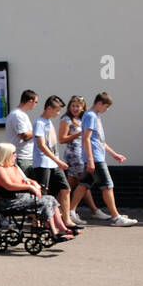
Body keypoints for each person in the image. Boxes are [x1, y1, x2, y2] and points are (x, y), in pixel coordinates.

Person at [70, 91, 136, 226]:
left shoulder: (95, 116)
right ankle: (116, 217)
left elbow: (99, 140)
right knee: (107, 185)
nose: (107, 109)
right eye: (106, 106)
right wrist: (90, 159)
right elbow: (86, 139)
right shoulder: (90, 116)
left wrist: (114, 154)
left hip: (96, 156)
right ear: (99, 103)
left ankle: (70, 212)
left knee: (84, 185)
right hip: (95, 158)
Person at [0, 141, 75, 241]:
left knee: (51, 199)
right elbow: (9, 185)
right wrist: (29, 187)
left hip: (21, 198)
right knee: (45, 202)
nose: (15, 155)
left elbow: (24, 179)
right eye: (13, 153)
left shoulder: (13, 167)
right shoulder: (0, 169)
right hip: (10, 201)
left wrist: (33, 182)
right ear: (6, 155)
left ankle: (62, 228)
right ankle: (54, 232)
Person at [30, 95, 78, 232]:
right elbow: (41, 145)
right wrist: (58, 160)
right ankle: (40, 221)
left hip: (54, 163)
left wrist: (56, 161)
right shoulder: (39, 123)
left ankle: (66, 219)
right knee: (43, 194)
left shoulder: (48, 122)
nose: (58, 114)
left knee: (65, 188)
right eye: (56, 110)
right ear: (49, 108)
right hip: (43, 164)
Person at [59, 95, 101, 224]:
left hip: (83, 154)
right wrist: (79, 133)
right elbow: (62, 139)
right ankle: (69, 211)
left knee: (78, 184)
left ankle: (65, 211)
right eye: (73, 106)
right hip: (73, 156)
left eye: (78, 106)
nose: (75, 108)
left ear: (83, 107)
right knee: (81, 184)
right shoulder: (67, 119)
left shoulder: (84, 119)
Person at [5, 89, 38, 172]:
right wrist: (38, 130)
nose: (36, 105)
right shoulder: (17, 115)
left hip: (26, 156)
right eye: (36, 102)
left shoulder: (22, 114)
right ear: (30, 101)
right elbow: (24, 136)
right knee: (25, 182)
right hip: (21, 156)